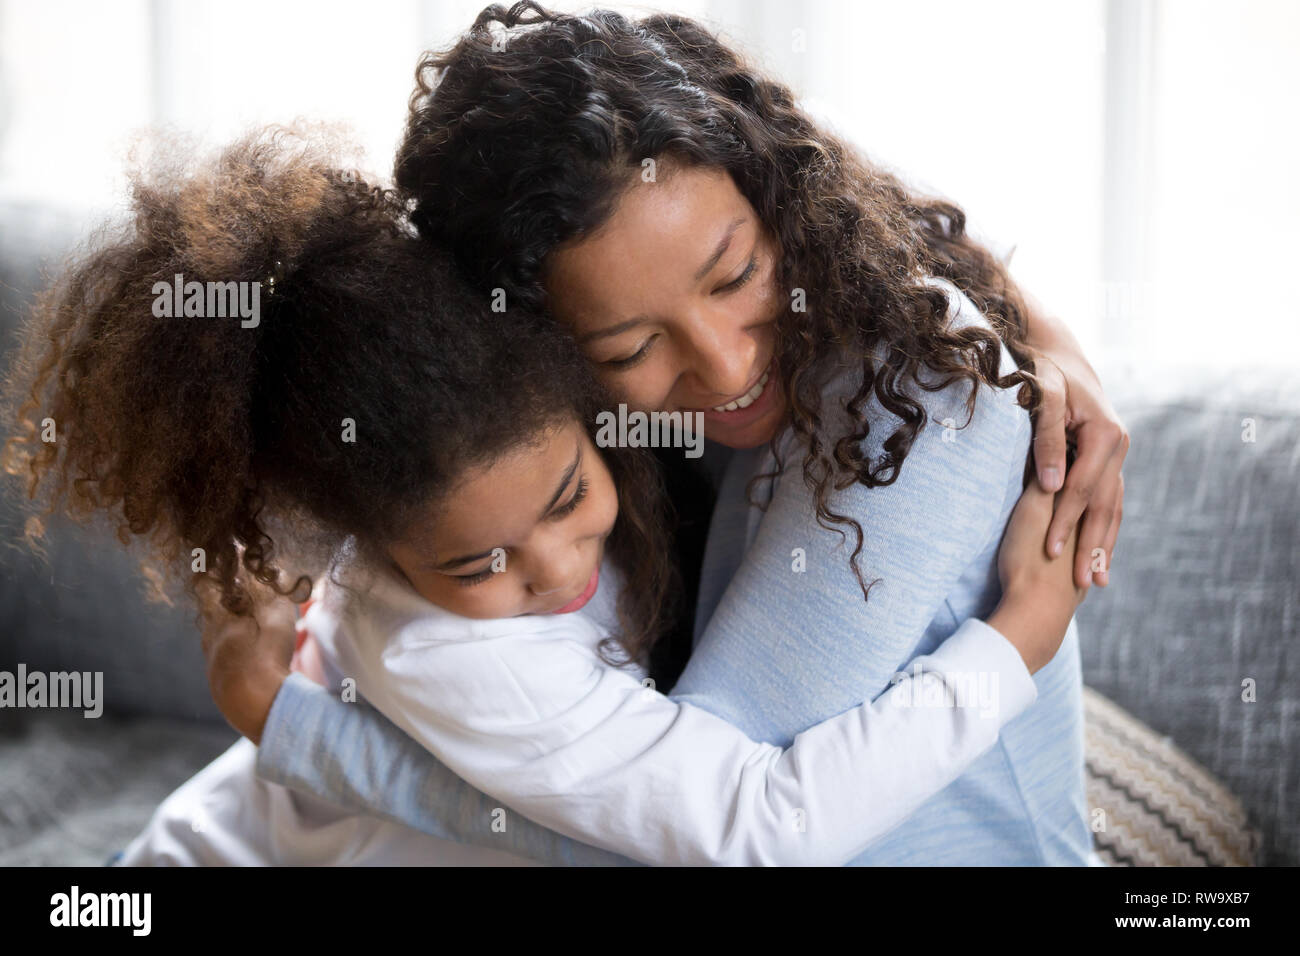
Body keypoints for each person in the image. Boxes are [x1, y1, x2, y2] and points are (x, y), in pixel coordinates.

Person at [3, 129, 1083, 866]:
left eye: (569, 497)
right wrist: (1014, 639)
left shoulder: (633, 397)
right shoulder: (455, 655)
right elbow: (754, 828)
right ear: (367, 547)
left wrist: (1044, 338)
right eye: (476, 564)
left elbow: (760, 155)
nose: (559, 568)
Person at [205, 5, 1128, 865]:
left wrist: (296, 732)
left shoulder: (919, 405)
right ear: (536, 351)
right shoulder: (537, 439)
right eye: (631, 345)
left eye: (733, 278)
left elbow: (713, 835)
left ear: (781, 196)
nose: (726, 370)